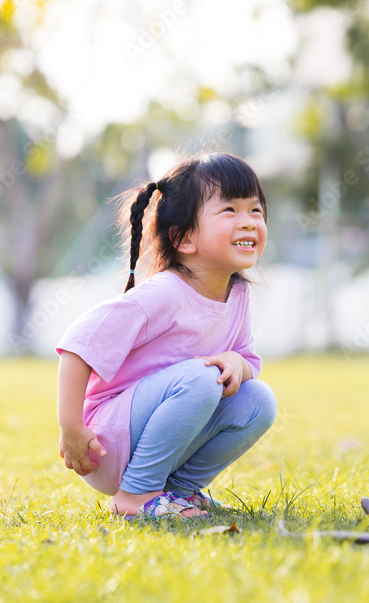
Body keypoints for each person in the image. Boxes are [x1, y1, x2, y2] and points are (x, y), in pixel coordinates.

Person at [55, 152, 277, 520]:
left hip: (162, 439)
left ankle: (179, 492)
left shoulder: (236, 295)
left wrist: (237, 363)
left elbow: (248, 362)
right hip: (107, 443)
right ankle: (136, 497)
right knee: (202, 379)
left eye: (255, 210)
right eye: (230, 211)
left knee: (259, 400)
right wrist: (71, 428)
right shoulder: (164, 294)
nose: (249, 222)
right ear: (184, 239)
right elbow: (78, 347)